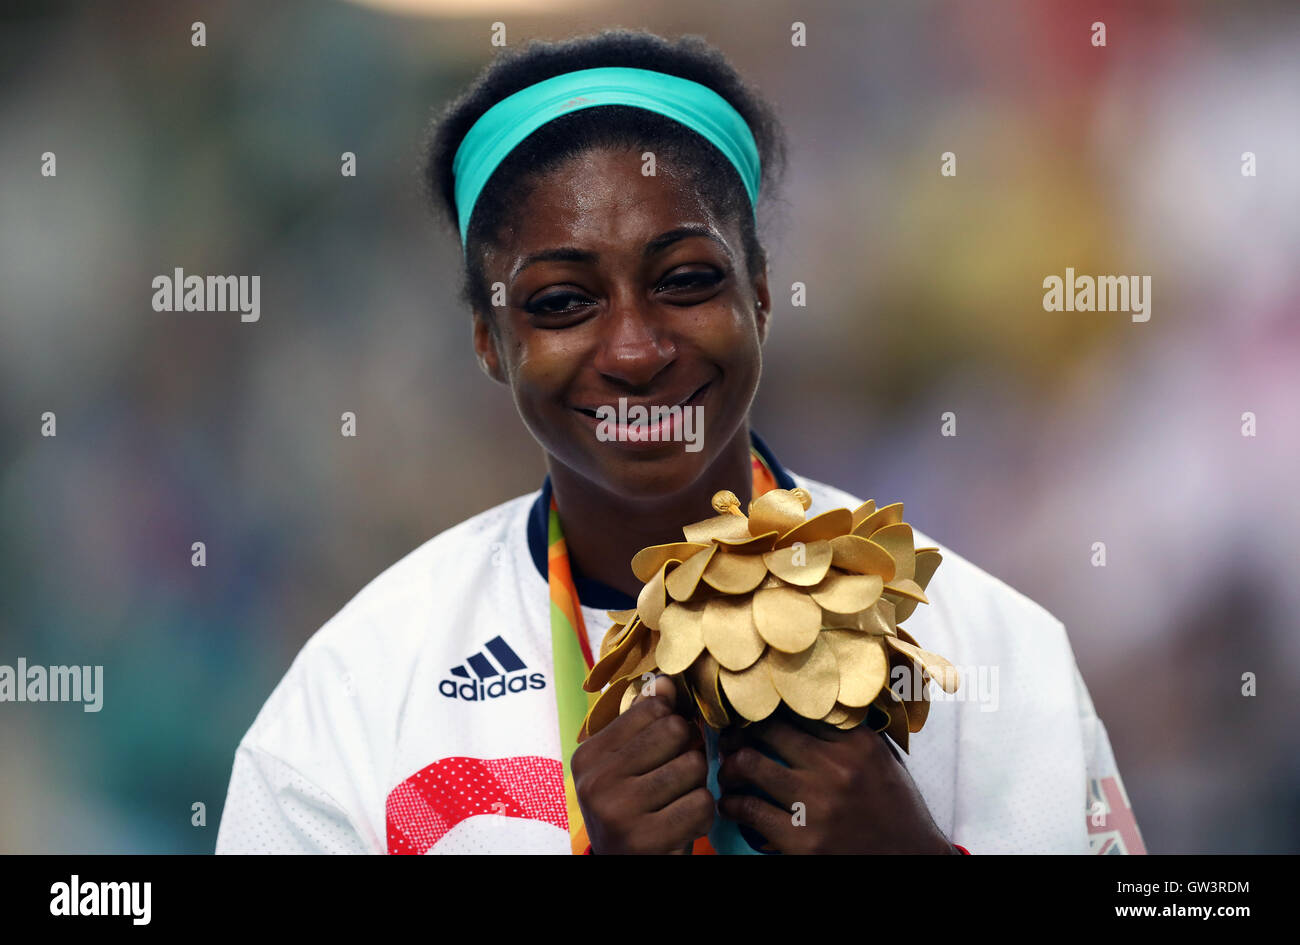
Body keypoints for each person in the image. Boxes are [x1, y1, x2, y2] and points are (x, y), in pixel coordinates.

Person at [215, 28, 1143, 855]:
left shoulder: (987, 648)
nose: (635, 348)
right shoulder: (357, 698)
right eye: (562, 302)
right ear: (489, 342)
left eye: (688, 279)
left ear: (763, 296)